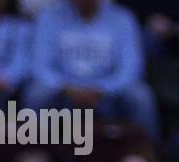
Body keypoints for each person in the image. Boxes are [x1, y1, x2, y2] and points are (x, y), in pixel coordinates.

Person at [25, 0, 159, 139]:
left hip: (108, 91)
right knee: (36, 94)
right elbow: (40, 65)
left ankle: (146, 153)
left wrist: (103, 88)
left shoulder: (122, 18)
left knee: (141, 97)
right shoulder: (49, 17)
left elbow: (131, 68)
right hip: (64, 89)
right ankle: (35, 153)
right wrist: (65, 86)